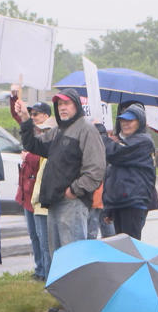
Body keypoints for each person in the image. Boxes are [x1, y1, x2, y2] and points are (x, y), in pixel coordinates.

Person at [15, 88, 106, 259]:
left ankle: (76, 287)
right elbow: (34, 145)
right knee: (58, 257)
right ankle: (60, 287)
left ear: (76, 105)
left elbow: (96, 169)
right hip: (54, 201)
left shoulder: (86, 129)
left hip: (72, 203)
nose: (62, 108)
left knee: (73, 258)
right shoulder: (58, 130)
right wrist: (26, 120)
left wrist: (74, 190)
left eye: (67, 103)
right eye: (59, 104)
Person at [99, 102, 156, 240]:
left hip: (133, 202)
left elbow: (114, 152)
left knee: (130, 249)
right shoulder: (126, 141)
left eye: (130, 120)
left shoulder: (143, 141)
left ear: (140, 122)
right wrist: (109, 208)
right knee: (121, 249)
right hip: (121, 202)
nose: (125, 124)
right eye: (123, 120)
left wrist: (100, 132)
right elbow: (112, 176)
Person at [13, 101, 53, 281]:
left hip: (39, 197)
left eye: (36, 114)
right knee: (34, 236)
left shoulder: (48, 134)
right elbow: (20, 120)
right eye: (32, 114)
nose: (33, 117)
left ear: (46, 116)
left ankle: (46, 272)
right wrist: (14, 98)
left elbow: (41, 156)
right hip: (28, 194)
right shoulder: (31, 131)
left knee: (44, 239)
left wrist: (28, 156)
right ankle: (40, 269)